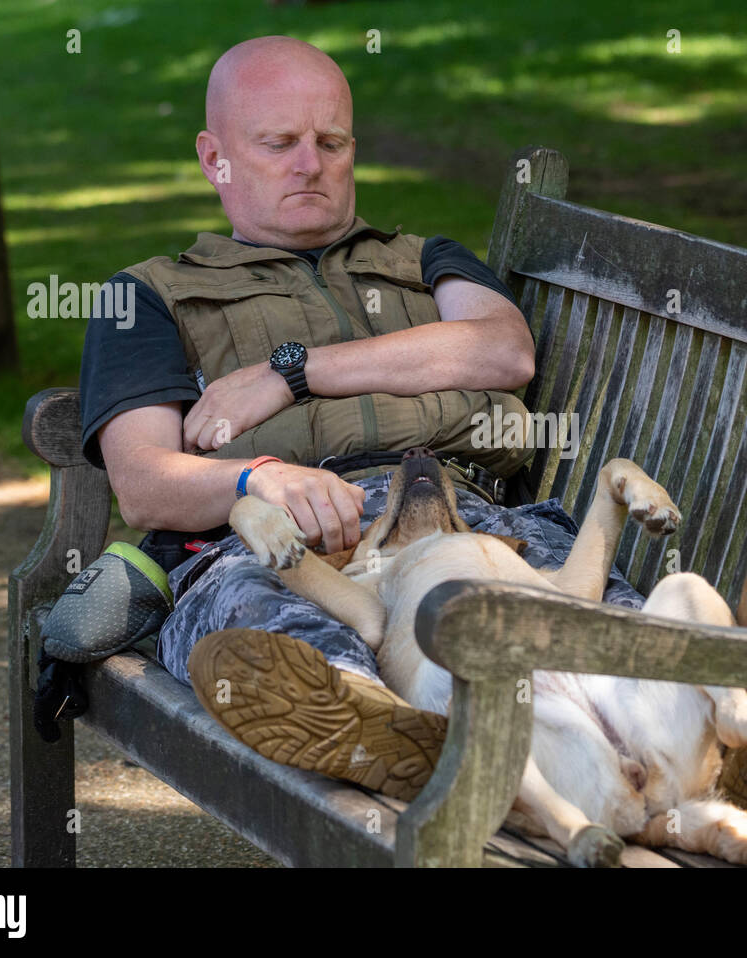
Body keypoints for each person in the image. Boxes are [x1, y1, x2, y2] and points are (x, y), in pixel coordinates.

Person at [78, 36, 649, 800]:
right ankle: (383, 732)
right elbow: (145, 483)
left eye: (331, 141)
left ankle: (699, 727)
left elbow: (504, 351)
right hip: (270, 546)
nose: (309, 164)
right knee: (277, 639)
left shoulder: (423, 261)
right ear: (215, 157)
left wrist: (294, 374)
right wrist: (262, 479)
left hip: (463, 519)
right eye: (279, 143)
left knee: (615, 619)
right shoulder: (152, 296)